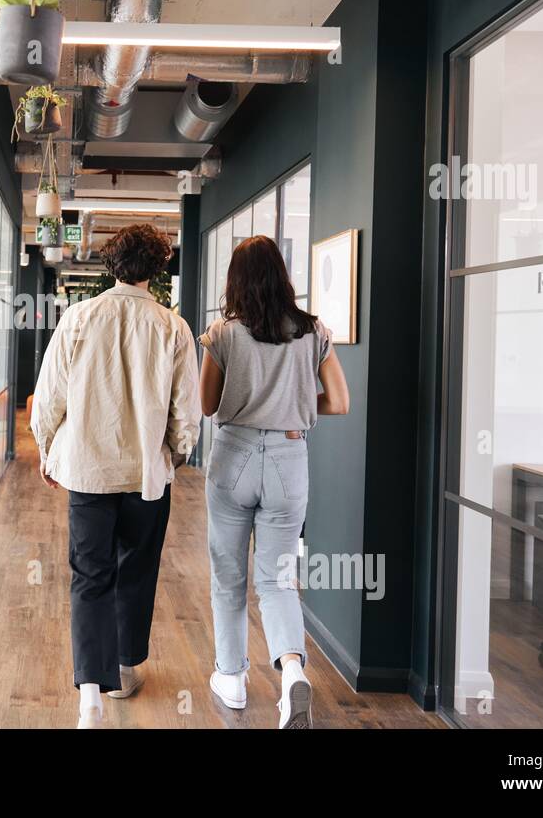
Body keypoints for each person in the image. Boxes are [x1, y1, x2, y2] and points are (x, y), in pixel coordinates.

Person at [31, 223, 200, 729]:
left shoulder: (79, 318)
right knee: (137, 570)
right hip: (146, 474)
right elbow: (186, 412)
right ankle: (123, 671)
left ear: (111, 265)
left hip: (88, 470)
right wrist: (175, 453)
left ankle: (89, 696)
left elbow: (49, 396)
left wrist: (46, 449)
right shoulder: (174, 327)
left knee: (89, 575)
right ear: (158, 268)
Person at [199, 235, 349, 729]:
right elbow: (340, 402)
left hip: (234, 457)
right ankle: (290, 674)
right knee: (278, 579)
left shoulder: (222, 334)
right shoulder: (313, 331)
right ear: (281, 275)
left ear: (235, 281)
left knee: (229, 577)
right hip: (290, 457)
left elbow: (206, 404)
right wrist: (297, 410)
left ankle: (232, 679)